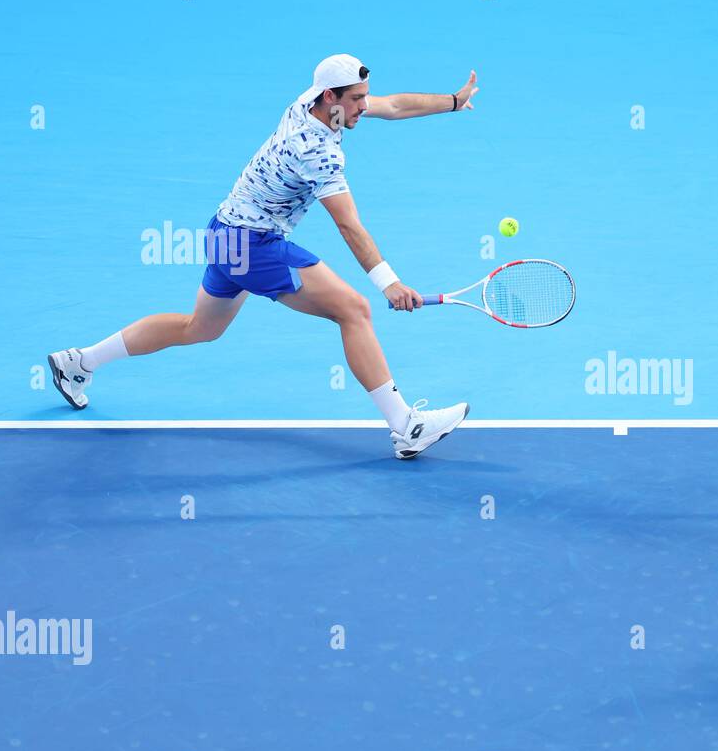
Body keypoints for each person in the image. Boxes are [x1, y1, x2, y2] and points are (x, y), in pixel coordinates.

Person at [48, 54, 477, 459]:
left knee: (199, 328)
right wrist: (390, 282)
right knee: (354, 310)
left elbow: (395, 105)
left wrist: (454, 102)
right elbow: (349, 226)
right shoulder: (319, 152)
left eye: (365, 96)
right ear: (331, 98)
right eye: (357, 99)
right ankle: (406, 425)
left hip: (223, 233)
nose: (366, 106)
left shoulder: (308, 103)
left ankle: (79, 361)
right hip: (254, 245)